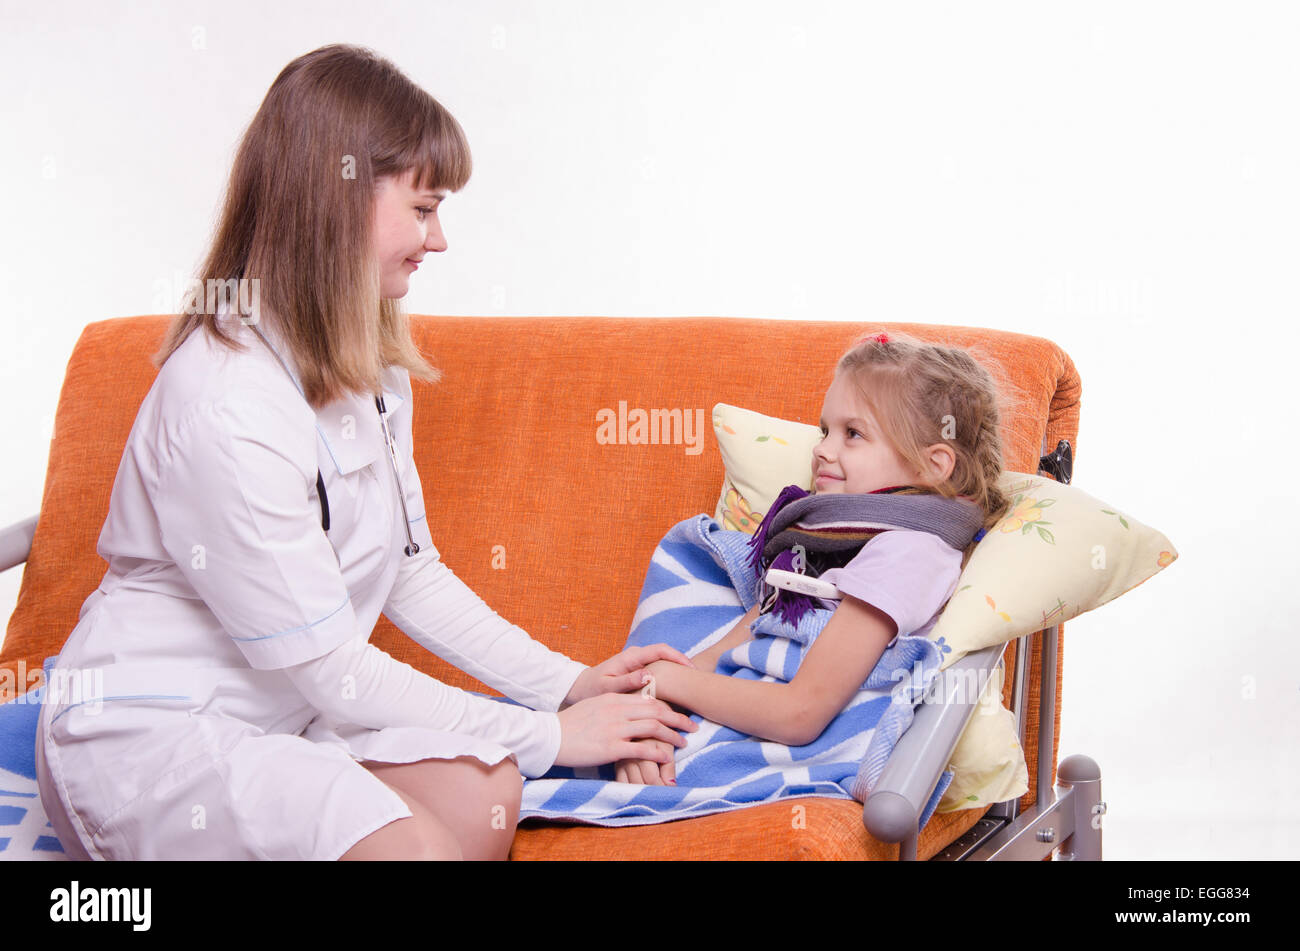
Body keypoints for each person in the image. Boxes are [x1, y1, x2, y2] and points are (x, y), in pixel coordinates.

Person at [34, 43, 697, 861]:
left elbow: (413, 571)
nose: (440, 239)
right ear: (336, 202)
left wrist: (570, 684)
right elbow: (333, 672)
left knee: (488, 791)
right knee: (418, 844)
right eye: (422, 210)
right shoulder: (226, 403)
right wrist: (555, 733)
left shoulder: (369, 361)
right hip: (153, 733)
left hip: (286, 718)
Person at [615, 331, 1008, 785]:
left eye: (853, 433)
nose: (822, 448)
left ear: (934, 465)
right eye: (825, 430)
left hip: (780, 747)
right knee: (565, 733)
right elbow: (719, 655)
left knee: (532, 759)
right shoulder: (821, 543)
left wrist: (664, 683)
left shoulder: (909, 552)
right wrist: (645, 715)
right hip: (729, 713)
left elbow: (799, 714)